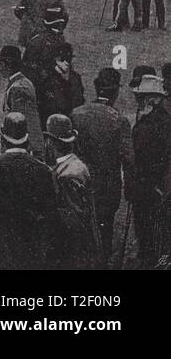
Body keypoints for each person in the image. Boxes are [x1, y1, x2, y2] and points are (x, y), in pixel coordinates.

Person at [0, 112, 57, 270]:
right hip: (32, 251)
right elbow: (51, 211)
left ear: (3, 140)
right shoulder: (44, 171)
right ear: (27, 141)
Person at [71, 67, 135, 263]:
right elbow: (129, 159)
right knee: (104, 232)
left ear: (96, 88)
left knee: (81, 231)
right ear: (116, 92)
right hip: (108, 190)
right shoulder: (119, 120)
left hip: (79, 184)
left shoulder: (77, 113)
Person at [44, 113, 101, 270]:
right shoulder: (75, 165)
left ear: (51, 142)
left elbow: (72, 220)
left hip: (72, 252)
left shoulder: (68, 175)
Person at [130, 74, 171, 268]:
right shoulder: (165, 120)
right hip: (159, 188)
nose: (138, 102)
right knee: (161, 238)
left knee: (149, 238)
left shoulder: (148, 126)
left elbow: (141, 159)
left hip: (149, 189)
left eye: (141, 98)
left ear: (153, 99)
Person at [0, 45, 43, 156]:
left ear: (6, 65)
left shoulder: (19, 88)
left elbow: (25, 121)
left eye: (0, 64)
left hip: (22, 149)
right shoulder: (21, 82)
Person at [37, 41, 85, 121]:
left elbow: (79, 100)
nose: (66, 63)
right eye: (62, 59)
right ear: (55, 59)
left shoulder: (75, 78)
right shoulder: (46, 79)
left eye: (68, 59)